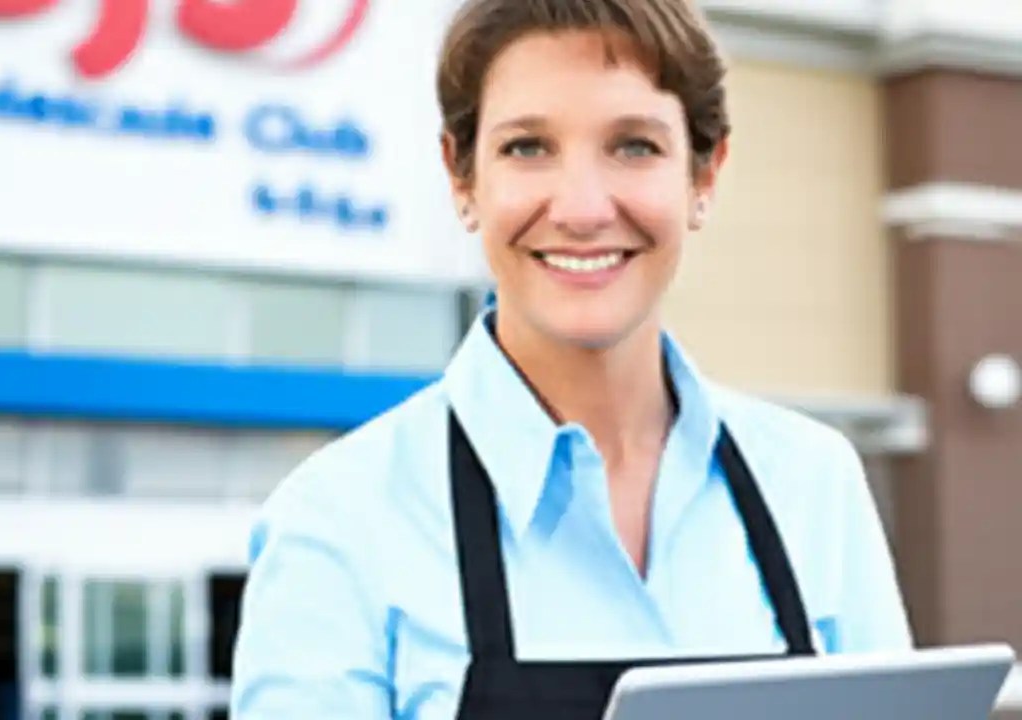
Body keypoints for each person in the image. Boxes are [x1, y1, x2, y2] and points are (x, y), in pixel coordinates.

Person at [228, 0, 913, 717]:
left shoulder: (812, 484)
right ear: (462, 179)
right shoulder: (340, 518)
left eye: (634, 146)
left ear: (704, 177)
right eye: (527, 147)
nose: (583, 209)